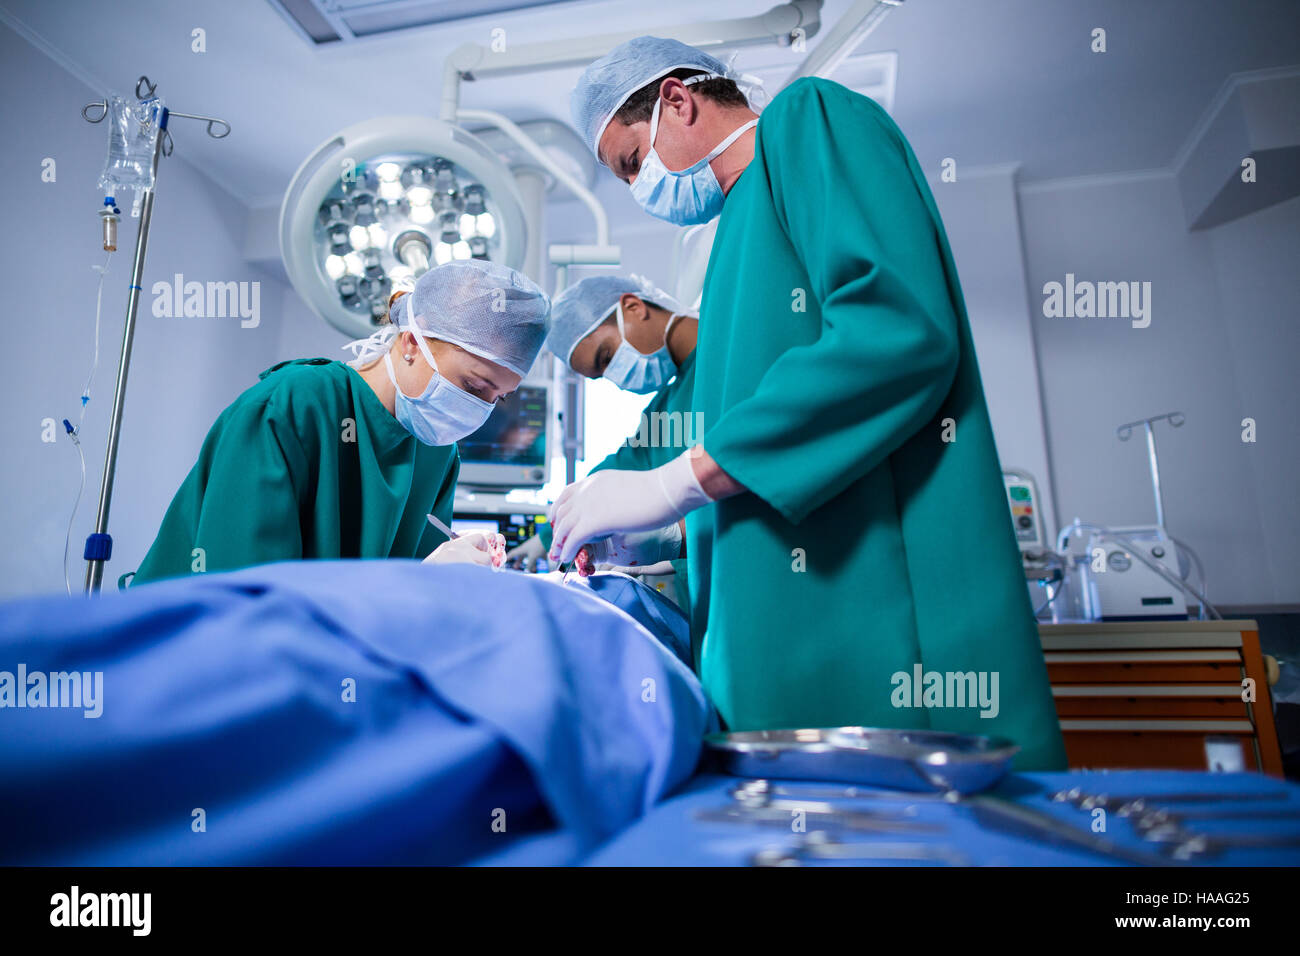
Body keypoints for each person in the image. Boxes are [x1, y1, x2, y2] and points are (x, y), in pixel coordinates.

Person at [551, 36, 1066, 770]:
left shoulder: (806, 120)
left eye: (633, 161)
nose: (640, 187)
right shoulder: (730, 251)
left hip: (877, 635)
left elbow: (895, 331)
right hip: (771, 658)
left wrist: (674, 484)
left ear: (676, 98)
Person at [131, 259, 550, 585]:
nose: (480, 410)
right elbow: (244, 599)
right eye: (474, 386)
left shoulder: (436, 452)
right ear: (410, 342)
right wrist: (417, 582)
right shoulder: (292, 406)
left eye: (498, 398)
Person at [508, 275, 697, 603]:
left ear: (634, 307)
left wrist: (677, 536)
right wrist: (550, 536)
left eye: (607, 357)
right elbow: (617, 470)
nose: (617, 378)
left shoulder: (734, 355)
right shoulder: (664, 411)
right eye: (603, 375)